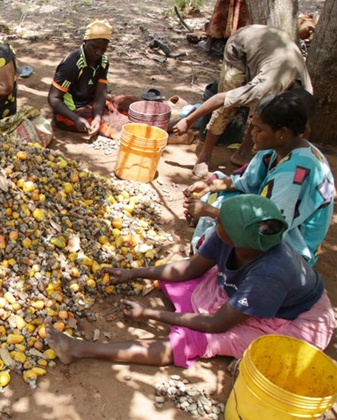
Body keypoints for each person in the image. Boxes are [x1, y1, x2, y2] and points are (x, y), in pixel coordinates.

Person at [46, 195, 334, 368]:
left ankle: (80, 349)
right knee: (178, 283)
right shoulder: (234, 239)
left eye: (219, 221)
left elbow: (215, 324)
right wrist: (134, 272)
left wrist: (148, 313)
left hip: (293, 324)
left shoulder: (271, 272)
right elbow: (189, 269)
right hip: (250, 296)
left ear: (235, 237)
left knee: (190, 339)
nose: (214, 222)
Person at [184, 90, 333, 265]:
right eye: (252, 126)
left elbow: (267, 231)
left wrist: (210, 212)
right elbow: (246, 181)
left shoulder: (293, 176)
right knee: (217, 188)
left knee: (220, 236)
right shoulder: (278, 148)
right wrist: (210, 186)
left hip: (289, 245)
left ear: (282, 132)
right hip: (271, 214)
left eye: (259, 129)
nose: (251, 133)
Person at [173, 25, 312, 178]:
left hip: (272, 51)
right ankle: (205, 154)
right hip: (242, 44)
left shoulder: (305, 97)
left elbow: (304, 132)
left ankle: (243, 152)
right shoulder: (265, 88)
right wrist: (188, 120)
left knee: (263, 110)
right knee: (229, 107)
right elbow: (221, 99)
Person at [47, 19, 138, 140]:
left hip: (90, 101)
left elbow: (101, 93)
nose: (98, 52)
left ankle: (155, 125)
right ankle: (151, 133)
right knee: (119, 124)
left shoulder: (103, 61)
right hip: (72, 111)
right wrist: (76, 119)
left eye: (103, 49)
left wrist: (97, 117)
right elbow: (53, 98)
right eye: (94, 47)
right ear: (85, 41)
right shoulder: (71, 65)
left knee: (132, 103)